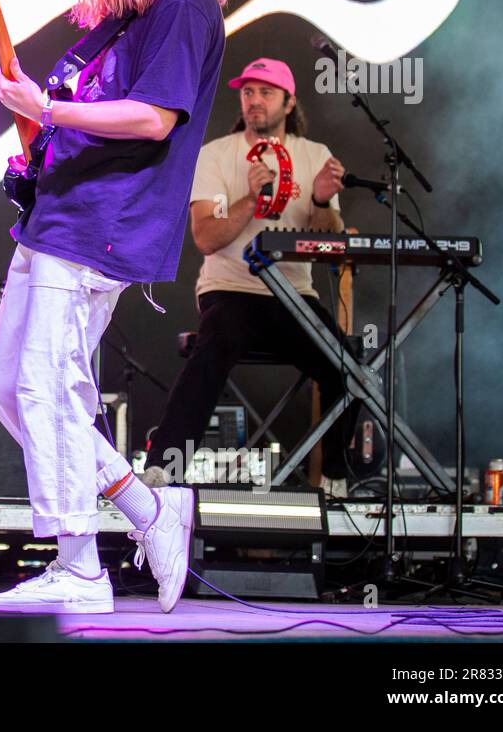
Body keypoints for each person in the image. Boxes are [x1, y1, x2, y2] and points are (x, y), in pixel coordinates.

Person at [0, 0, 227, 615]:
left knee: (48, 387)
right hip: (60, 213)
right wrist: (41, 127)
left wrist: (49, 113)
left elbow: (154, 117)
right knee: (7, 391)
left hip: (103, 224)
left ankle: (80, 566)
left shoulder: (183, 1)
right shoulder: (124, 13)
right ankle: (149, 511)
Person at [144, 56, 357, 493]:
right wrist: (252, 200)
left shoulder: (314, 156)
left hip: (295, 296)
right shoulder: (217, 155)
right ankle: (163, 471)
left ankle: (336, 479)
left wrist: (319, 201)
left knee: (349, 367)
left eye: (265, 92)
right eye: (247, 92)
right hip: (232, 290)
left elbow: (331, 244)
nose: (254, 101)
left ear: (288, 101)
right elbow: (205, 237)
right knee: (214, 344)